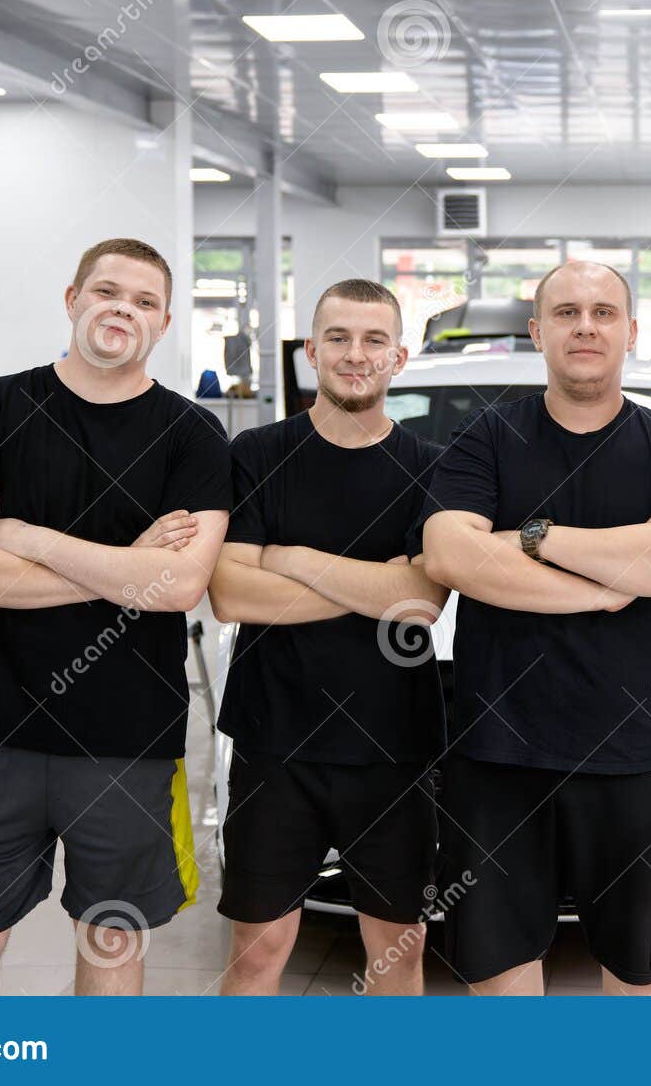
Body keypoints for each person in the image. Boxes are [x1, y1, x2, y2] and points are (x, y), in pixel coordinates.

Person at [0, 237, 231, 995]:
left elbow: (181, 586)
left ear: (163, 323)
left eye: (145, 300)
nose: (123, 307)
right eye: (107, 291)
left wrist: (31, 540)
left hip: (129, 746)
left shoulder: (192, 435)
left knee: (112, 952)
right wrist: (127, 567)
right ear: (73, 300)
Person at [420, 260, 651, 995]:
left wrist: (528, 536)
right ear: (537, 332)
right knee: (500, 978)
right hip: (500, 759)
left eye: (602, 312)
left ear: (630, 332)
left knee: (642, 978)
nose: (585, 326)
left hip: (639, 755)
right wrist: (609, 587)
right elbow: (447, 551)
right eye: (565, 312)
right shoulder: (487, 437)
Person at [208, 279, 447, 996]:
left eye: (374, 340)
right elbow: (228, 593)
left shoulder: (433, 467)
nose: (355, 354)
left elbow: (418, 601)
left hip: (392, 746)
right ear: (311, 351)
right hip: (274, 738)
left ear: (399, 357)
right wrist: (370, 585)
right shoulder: (255, 452)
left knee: (398, 954)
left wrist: (291, 558)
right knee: (256, 950)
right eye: (338, 338)